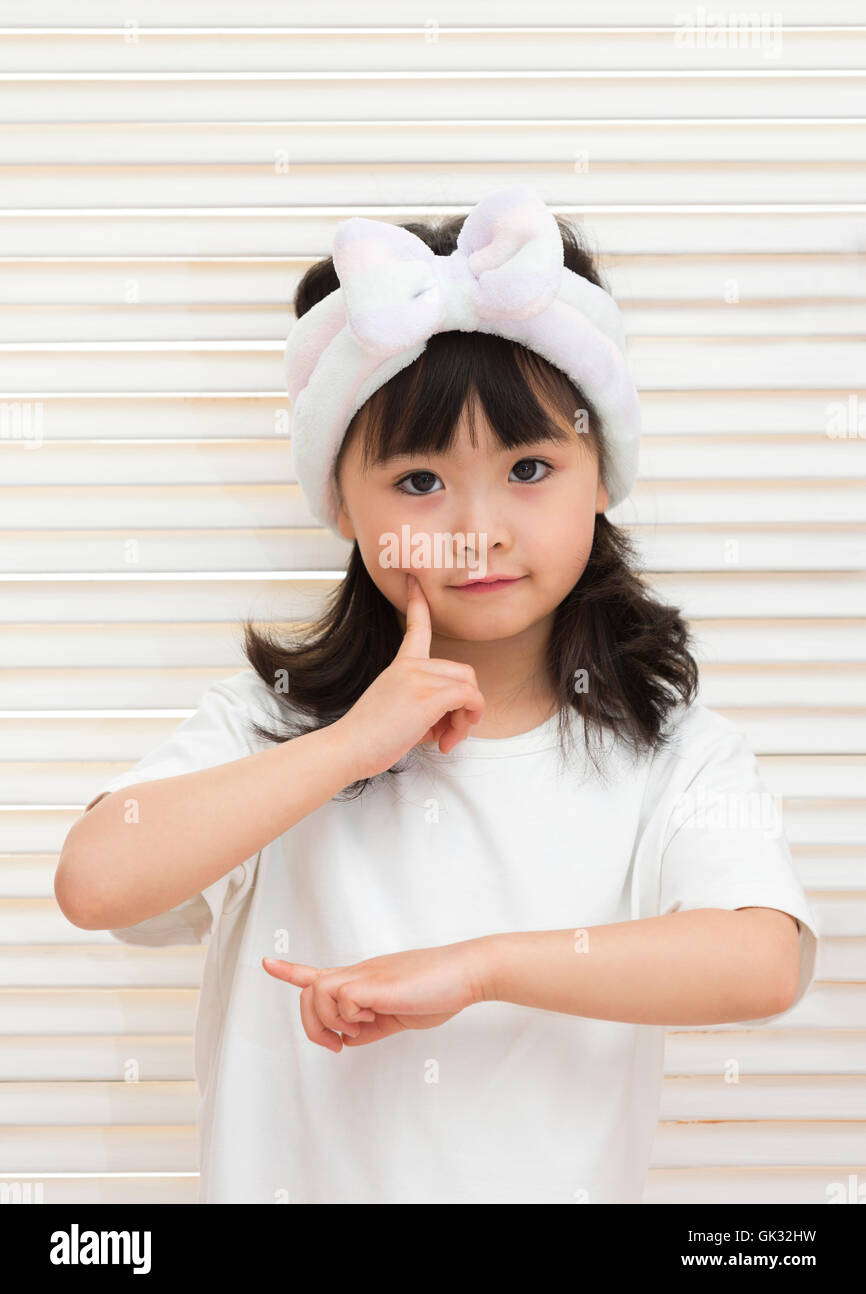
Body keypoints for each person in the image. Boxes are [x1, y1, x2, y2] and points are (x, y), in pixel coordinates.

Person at [55, 185, 818, 1205]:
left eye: (529, 467)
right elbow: (95, 882)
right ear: (342, 503)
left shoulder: (665, 743)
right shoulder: (276, 723)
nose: (477, 527)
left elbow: (762, 959)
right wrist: (349, 744)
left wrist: (478, 968)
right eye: (418, 481)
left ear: (602, 476)